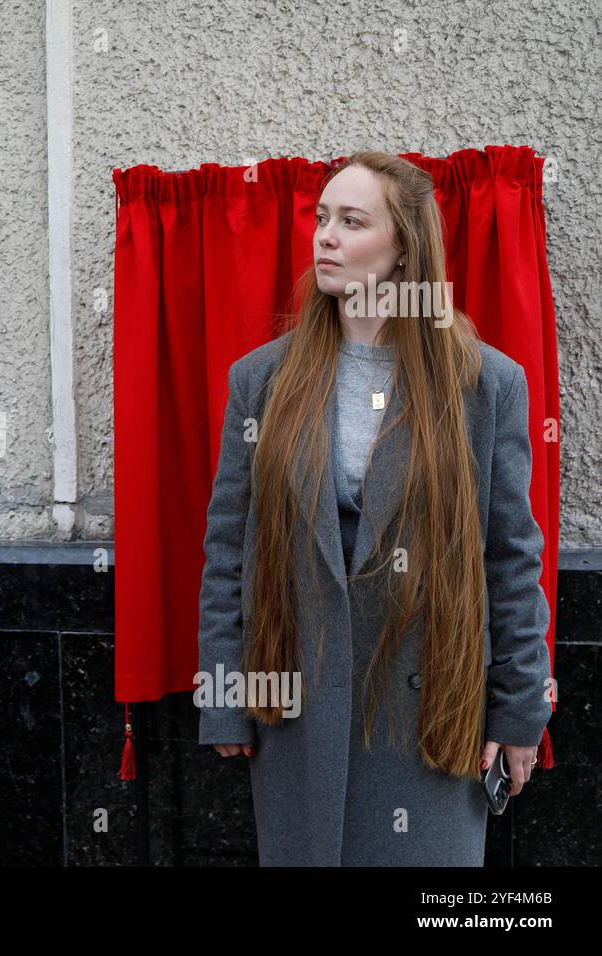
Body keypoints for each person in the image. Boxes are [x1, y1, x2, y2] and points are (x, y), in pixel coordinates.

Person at [196, 150, 553, 865]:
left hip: (432, 711)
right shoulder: (262, 380)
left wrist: (519, 711)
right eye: (322, 217)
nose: (325, 235)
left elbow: (510, 555)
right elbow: (229, 548)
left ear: (404, 252)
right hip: (301, 705)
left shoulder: (486, 386)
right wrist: (226, 691)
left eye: (351, 221)